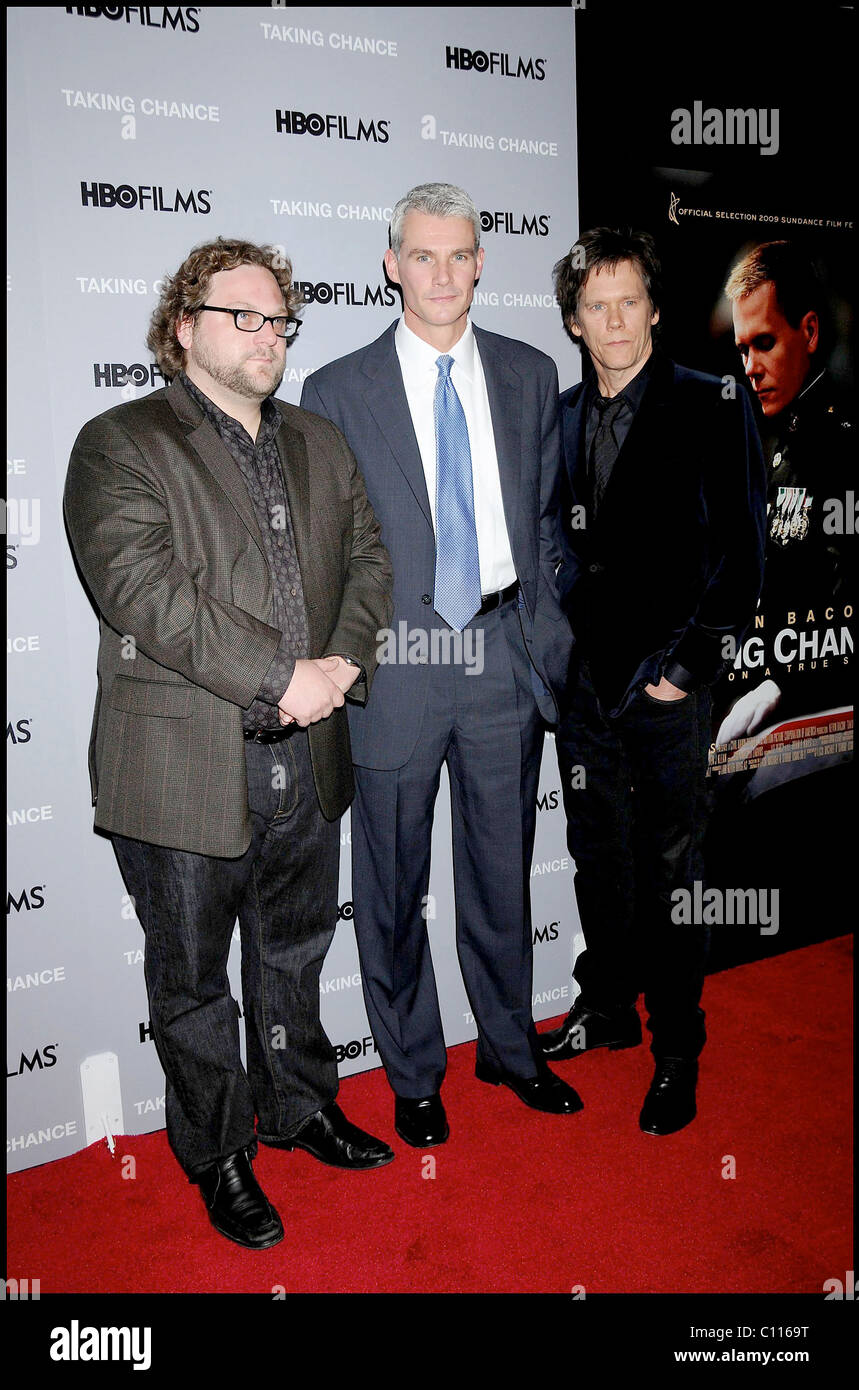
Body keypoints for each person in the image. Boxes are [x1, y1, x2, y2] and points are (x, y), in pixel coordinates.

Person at [64, 237, 395, 1250]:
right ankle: (217, 1154)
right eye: (241, 315)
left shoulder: (317, 439)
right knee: (195, 980)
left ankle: (296, 1105)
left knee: (294, 954)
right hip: (182, 765)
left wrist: (337, 666)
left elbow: (370, 559)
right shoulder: (120, 440)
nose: (267, 335)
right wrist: (278, 676)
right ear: (182, 327)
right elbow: (148, 595)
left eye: (279, 320)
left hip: (310, 754)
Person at [300, 182, 581, 1148]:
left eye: (460, 254)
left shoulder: (529, 372)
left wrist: (546, 642)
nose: (443, 273)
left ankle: (510, 1051)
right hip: (398, 661)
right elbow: (333, 549)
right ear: (391, 265)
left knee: (503, 873)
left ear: (480, 261)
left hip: (500, 650)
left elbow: (544, 520)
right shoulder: (336, 390)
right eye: (422, 255)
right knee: (389, 884)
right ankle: (414, 1073)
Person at [539, 228, 766, 1134]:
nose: (615, 320)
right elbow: (557, 542)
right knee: (600, 858)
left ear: (655, 309)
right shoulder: (558, 414)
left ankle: (678, 1048)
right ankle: (608, 1009)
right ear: (574, 322)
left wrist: (686, 667)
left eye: (629, 300)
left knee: (674, 871)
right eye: (597, 306)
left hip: (667, 688)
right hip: (585, 689)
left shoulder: (709, 399)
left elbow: (744, 554)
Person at [718, 240, 852, 741]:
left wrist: (784, 687)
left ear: (810, 331)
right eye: (742, 349)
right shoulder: (779, 445)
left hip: (821, 725)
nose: (750, 366)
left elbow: (846, 604)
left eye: (765, 343)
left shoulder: (840, 450)